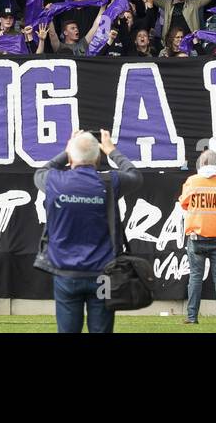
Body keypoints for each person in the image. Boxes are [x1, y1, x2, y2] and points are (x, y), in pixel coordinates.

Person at [34, 129, 142, 334]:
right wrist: (112, 150)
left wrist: (68, 151)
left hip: (66, 273)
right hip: (103, 272)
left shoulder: (54, 181)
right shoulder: (110, 182)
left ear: (71, 157)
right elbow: (135, 175)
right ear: (98, 158)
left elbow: (40, 171)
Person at [179, 148, 216, 325]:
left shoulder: (192, 181)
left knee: (195, 276)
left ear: (201, 163)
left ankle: (192, 317)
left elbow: (184, 203)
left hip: (197, 237)